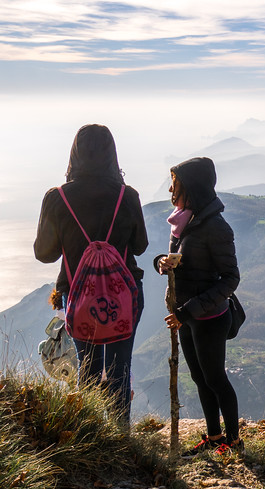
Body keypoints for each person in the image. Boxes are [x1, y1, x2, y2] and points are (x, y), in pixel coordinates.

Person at [34, 124, 148, 426]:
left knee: (89, 367)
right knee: (121, 365)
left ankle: (92, 435)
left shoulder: (57, 198)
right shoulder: (127, 195)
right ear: (113, 155)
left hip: (81, 296)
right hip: (125, 293)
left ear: (74, 154)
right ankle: (121, 435)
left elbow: (44, 253)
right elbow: (141, 245)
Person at [154, 157, 243, 457]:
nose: (170, 190)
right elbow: (174, 257)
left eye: (175, 185)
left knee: (215, 378)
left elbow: (231, 279)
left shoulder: (216, 227)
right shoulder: (183, 220)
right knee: (199, 378)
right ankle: (215, 436)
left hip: (209, 317)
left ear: (190, 188)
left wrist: (190, 310)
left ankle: (234, 440)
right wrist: (160, 263)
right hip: (186, 316)